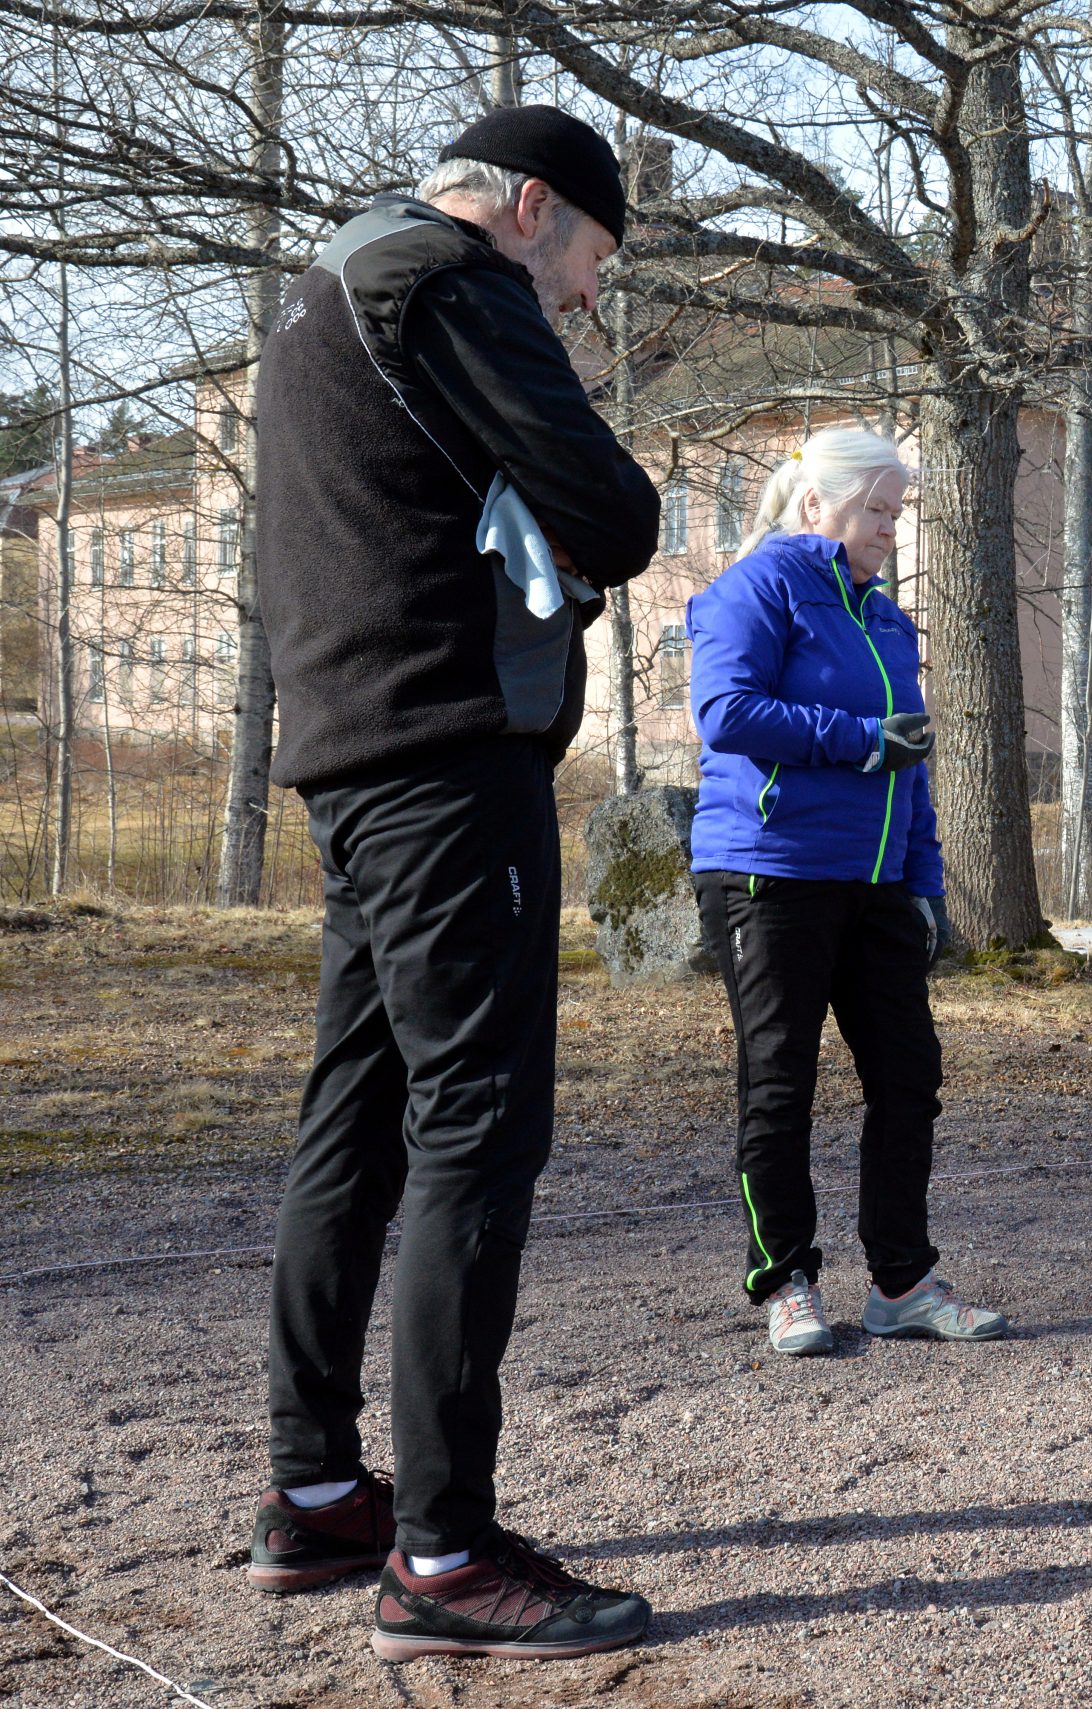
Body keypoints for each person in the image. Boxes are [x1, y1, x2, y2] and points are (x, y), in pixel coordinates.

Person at [250, 107, 659, 1660]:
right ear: (532, 208)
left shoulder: (324, 288)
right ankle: (443, 1554)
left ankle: (313, 1490)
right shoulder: (453, 279)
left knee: (352, 1117)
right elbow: (619, 514)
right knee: (477, 1131)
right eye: (592, 262)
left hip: (351, 755)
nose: (587, 300)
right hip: (447, 761)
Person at [686, 427, 1001, 1355]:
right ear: (816, 504)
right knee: (780, 1083)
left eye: (897, 513)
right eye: (878, 510)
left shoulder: (889, 621)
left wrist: (925, 885)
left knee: (909, 1077)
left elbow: (915, 765)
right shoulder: (754, 588)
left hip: (877, 883)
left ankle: (902, 1282)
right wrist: (860, 740)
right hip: (768, 873)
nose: (891, 529)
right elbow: (724, 712)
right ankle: (785, 1280)